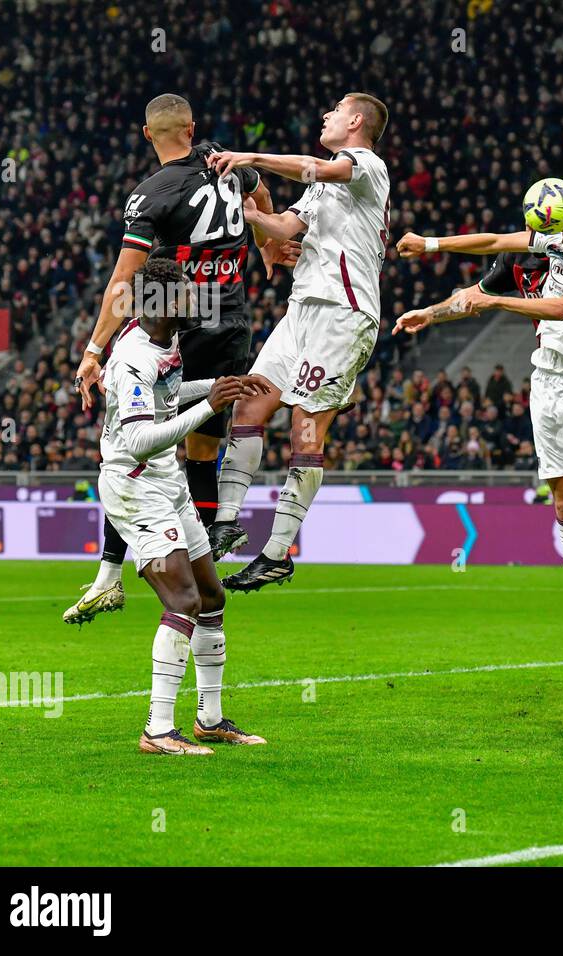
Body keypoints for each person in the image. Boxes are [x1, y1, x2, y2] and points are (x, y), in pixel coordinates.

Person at [394, 181, 563, 662]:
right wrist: (430, 251)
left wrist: (496, 303)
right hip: (547, 385)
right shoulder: (559, 237)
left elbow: (561, 307)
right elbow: (495, 242)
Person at [64, 92, 296, 625]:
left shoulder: (151, 194)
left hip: (174, 318)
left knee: (130, 447)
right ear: (192, 128)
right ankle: (206, 544)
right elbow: (262, 204)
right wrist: (264, 243)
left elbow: (123, 282)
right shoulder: (224, 162)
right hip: (231, 319)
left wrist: (95, 349)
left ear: (149, 135)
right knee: (199, 448)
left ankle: (113, 575)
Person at [202, 92, 390, 591]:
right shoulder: (322, 186)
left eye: (333, 110)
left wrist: (252, 158)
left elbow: (312, 168)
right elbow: (285, 225)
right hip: (301, 310)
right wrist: (248, 213)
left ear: (354, 121)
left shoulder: (367, 166)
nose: (324, 115)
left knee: (305, 431)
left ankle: (277, 552)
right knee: (249, 404)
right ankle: (224, 522)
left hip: (344, 315)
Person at [95, 258, 267, 753]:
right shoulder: (131, 358)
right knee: (184, 601)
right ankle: (157, 730)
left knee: (212, 598)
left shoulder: (164, 338)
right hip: (135, 485)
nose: (193, 300)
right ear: (163, 303)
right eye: (185, 294)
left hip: (168, 482)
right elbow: (143, 438)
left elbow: (166, 399)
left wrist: (214, 388)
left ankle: (210, 720)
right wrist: (209, 408)